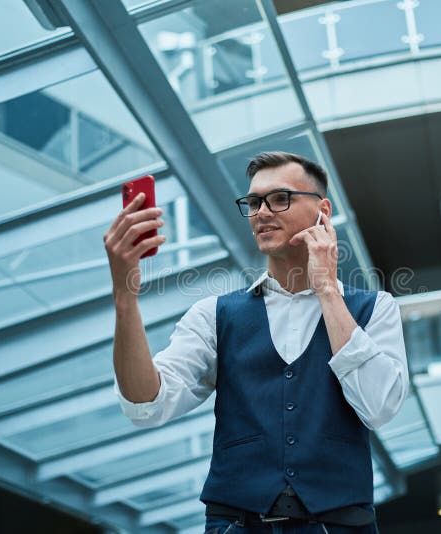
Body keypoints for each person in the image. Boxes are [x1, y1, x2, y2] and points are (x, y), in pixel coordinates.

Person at [104, 151, 409, 533]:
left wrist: (327, 288)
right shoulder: (214, 315)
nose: (262, 212)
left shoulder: (374, 308)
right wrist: (123, 295)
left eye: (279, 198)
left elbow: (379, 408)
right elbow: (145, 405)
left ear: (323, 210)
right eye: (253, 202)